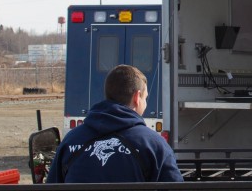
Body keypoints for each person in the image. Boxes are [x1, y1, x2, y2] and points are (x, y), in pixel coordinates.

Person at [47, 64, 184, 184]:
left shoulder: (70, 141)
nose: (145, 104)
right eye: (145, 98)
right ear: (137, 97)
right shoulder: (155, 145)